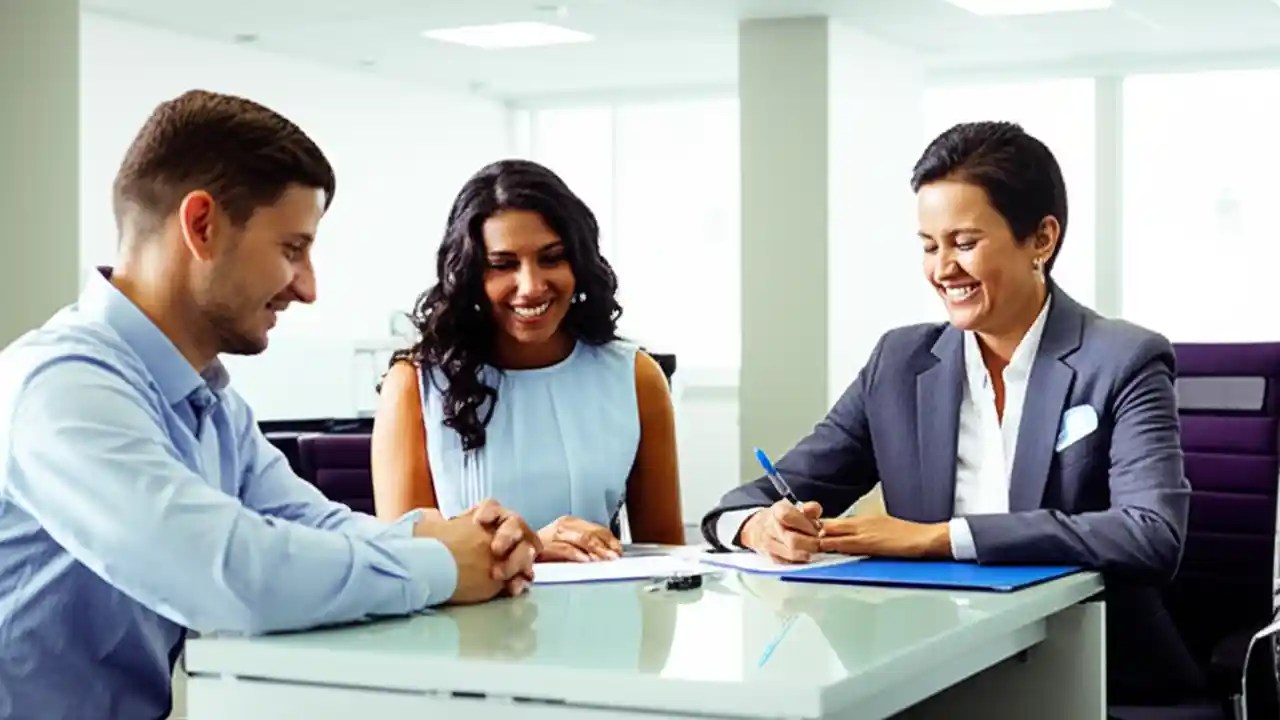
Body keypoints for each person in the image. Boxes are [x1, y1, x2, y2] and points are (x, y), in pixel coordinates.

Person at [0, 90, 539, 719]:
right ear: (201, 226)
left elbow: (313, 524)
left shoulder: (206, 401)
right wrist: (442, 566)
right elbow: (224, 572)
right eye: (292, 249)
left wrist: (462, 539)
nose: (308, 287)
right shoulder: (61, 385)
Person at [701, 121, 1202, 705]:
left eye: (964, 243)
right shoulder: (899, 362)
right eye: (928, 245)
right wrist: (758, 525)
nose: (943, 270)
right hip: (928, 672)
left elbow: (1150, 534)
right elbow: (749, 500)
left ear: (1041, 238)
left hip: (1091, 675)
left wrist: (939, 539)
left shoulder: (1122, 358)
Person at [372, 159, 685, 562]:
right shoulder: (415, 385)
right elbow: (404, 559)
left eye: (552, 258)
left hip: (603, 617)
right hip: (465, 624)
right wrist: (533, 548)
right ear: (469, 274)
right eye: (503, 265)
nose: (531, 286)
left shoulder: (636, 377)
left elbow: (665, 558)